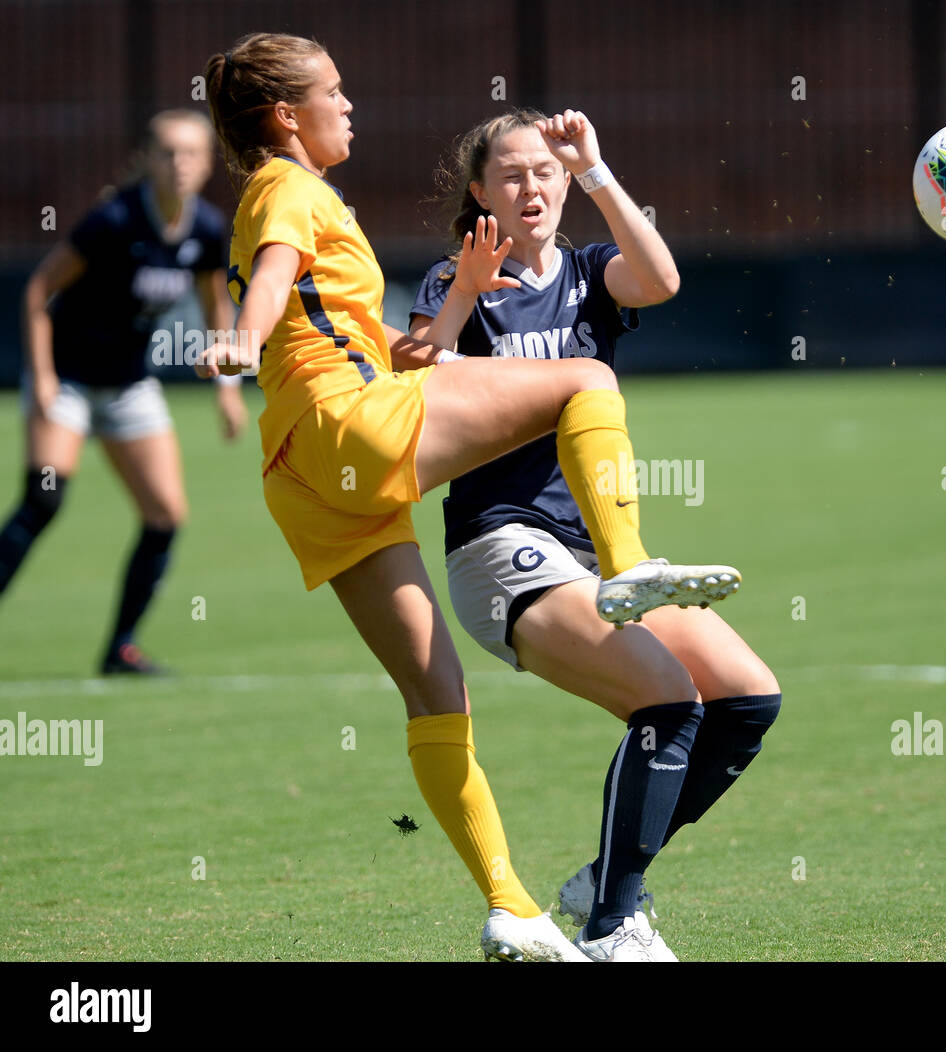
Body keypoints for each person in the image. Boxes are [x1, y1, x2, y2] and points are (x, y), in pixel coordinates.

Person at [199, 32, 740, 962]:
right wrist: (244, 336)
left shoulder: (270, 192)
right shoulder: (292, 187)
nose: (349, 105)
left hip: (302, 473)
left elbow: (326, 305)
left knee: (434, 694)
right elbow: (279, 273)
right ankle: (626, 566)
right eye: (334, 91)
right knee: (584, 383)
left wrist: (272, 339)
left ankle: (512, 906)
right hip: (348, 424)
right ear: (287, 117)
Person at [410, 109, 781, 961]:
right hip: (501, 545)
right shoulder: (455, 281)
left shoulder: (586, 273)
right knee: (667, 697)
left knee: (746, 699)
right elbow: (414, 373)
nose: (531, 187)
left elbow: (660, 281)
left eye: (545, 171)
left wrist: (598, 172)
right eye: (510, 174)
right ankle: (616, 923)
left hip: (595, 552)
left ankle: (606, 880)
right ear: (480, 193)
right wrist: (466, 289)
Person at [0, 109, 247, 674]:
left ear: (208, 164)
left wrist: (229, 390)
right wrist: (40, 378)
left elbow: (216, 306)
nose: (180, 164)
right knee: (44, 500)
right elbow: (38, 291)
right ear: (149, 160)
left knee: (165, 515)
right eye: (168, 153)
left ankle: (120, 649)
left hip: (129, 385)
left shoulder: (207, 229)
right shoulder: (112, 220)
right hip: (66, 378)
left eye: (191, 154)